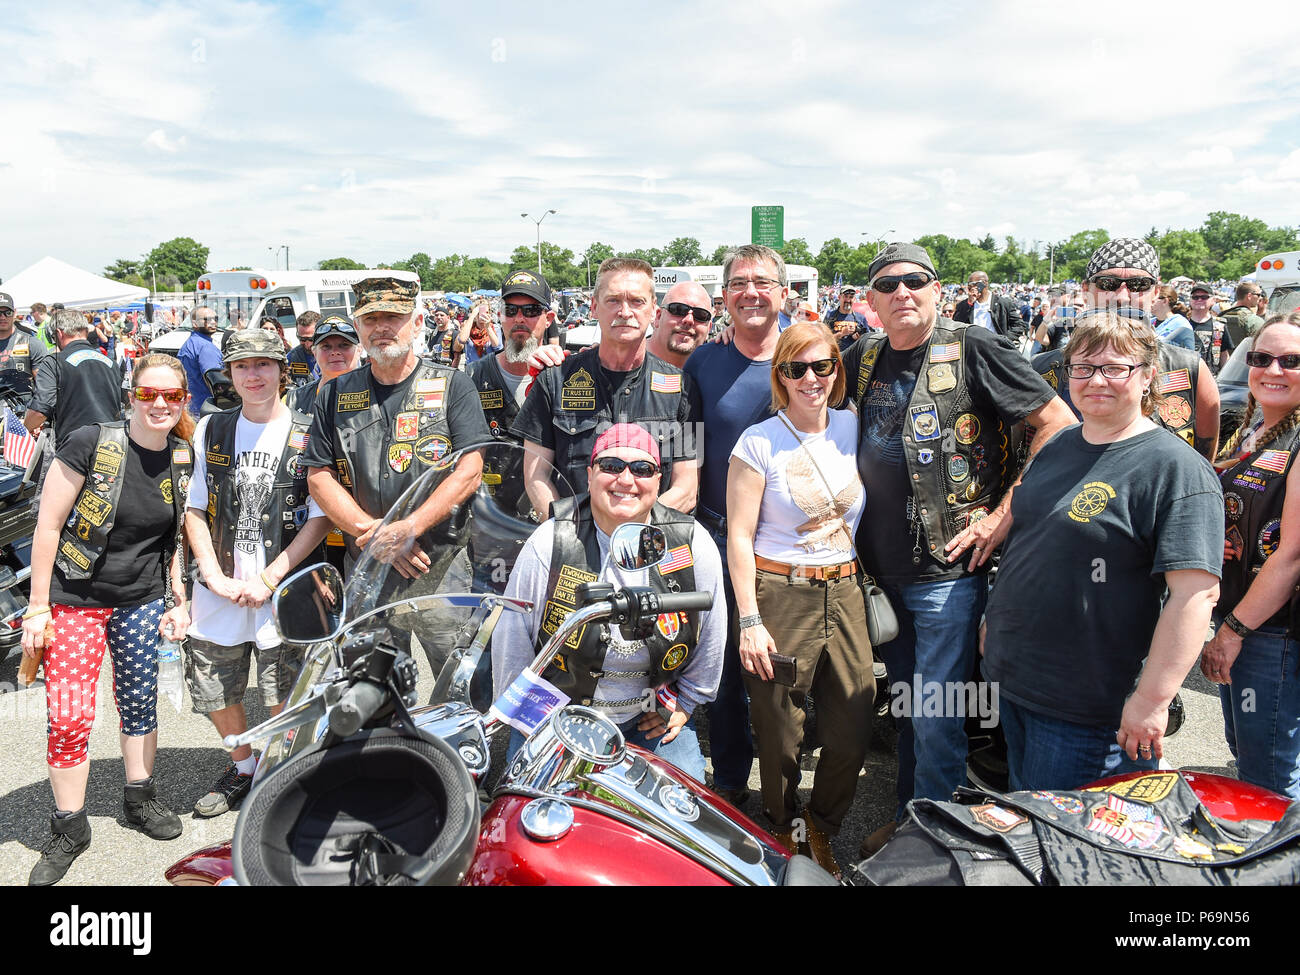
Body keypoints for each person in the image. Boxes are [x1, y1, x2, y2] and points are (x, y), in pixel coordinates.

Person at [841, 242, 1075, 853]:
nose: (902, 293)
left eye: (914, 281)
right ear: (870, 301)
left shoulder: (973, 346)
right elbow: (798, 388)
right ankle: (914, 817)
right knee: (910, 708)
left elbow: (1055, 422)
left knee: (938, 714)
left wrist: (1003, 515)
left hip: (946, 570)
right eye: (887, 285)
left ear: (937, 288)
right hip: (878, 571)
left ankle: (932, 847)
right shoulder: (861, 355)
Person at [982, 315, 1222, 790]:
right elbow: (1030, 537)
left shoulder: (1176, 470)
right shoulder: (1060, 445)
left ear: (1149, 375)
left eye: (1115, 368)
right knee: (1032, 829)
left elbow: (1194, 598)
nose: (1096, 381)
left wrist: (1152, 701)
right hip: (1018, 684)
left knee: (1073, 849)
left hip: (1091, 710)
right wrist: (995, 619)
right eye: (1083, 367)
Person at [21, 354, 195, 885]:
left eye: (171, 396)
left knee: (139, 702)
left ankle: (140, 798)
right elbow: (47, 527)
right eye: (148, 394)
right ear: (130, 396)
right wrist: (37, 605)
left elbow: (175, 539)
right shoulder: (91, 442)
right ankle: (70, 826)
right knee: (70, 717)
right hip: (76, 599)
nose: (159, 404)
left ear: (183, 400)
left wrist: (178, 597)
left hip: (141, 600)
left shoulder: (183, 457)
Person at [493, 423, 725, 780]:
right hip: (557, 714)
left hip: (647, 717)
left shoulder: (691, 543)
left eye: (642, 469)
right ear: (590, 475)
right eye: (612, 466)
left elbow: (712, 633)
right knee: (533, 812)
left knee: (681, 810)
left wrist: (685, 703)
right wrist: (532, 719)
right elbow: (512, 638)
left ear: (658, 480)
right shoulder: (552, 539)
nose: (626, 479)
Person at [727, 323, 872, 875]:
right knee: (780, 729)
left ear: (837, 370)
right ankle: (783, 825)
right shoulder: (759, 441)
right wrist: (749, 619)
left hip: (848, 588)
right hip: (779, 591)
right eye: (796, 369)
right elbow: (739, 536)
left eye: (823, 366)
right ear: (779, 375)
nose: (811, 378)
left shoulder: (852, 426)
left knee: (853, 724)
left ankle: (823, 825)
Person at [302, 276, 490, 675]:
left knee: (457, 685)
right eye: (371, 319)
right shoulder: (335, 394)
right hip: (368, 564)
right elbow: (318, 474)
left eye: (393, 317)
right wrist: (375, 534)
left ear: (418, 321)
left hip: (440, 566)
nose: (381, 327)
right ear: (358, 327)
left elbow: (471, 469)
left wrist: (408, 529)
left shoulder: (452, 384)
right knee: (370, 687)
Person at [184, 329, 332, 817]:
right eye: (243, 366)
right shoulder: (211, 428)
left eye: (264, 364)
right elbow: (195, 508)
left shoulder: (310, 428)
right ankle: (243, 766)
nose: (254, 374)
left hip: (282, 583)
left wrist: (271, 577)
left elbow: (319, 514)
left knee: (281, 686)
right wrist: (210, 573)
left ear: (281, 372)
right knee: (214, 682)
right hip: (221, 583)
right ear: (229, 373)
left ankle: (278, 771)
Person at [682, 243, 792, 806]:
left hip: (796, 543)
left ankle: (783, 786)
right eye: (740, 283)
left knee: (783, 667)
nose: (752, 292)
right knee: (725, 666)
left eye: (763, 282)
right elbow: (687, 445)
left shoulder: (813, 353)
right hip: (724, 534)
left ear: (784, 292)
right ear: (725, 297)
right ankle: (730, 781)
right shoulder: (705, 361)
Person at [515, 258, 701, 516]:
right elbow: (536, 476)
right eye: (613, 300)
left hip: (648, 545)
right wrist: (572, 533)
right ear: (593, 307)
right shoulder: (554, 380)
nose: (625, 312)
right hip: (576, 542)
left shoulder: (682, 387)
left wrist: (637, 534)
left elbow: (687, 487)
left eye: (637, 301)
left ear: (654, 311)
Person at [1202, 310, 1300, 799]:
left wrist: (1232, 632)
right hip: (1240, 613)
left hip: (1271, 631)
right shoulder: (1256, 427)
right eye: (1261, 358)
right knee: (1246, 750)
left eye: (1291, 360)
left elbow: (1291, 555)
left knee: (1269, 778)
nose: (1273, 370)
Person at [1032, 239, 1220, 461]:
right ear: (1086, 290)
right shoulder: (1042, 370)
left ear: (1155, 293)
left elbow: (1203, 461)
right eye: (1107, 283)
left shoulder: (1188, 368)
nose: (1121, 296)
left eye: (1138, 285)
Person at [24, 308, 123, 449]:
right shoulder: (110, 362)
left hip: (74, 448)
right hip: (110, 445)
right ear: (86, 331)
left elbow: (40, 409)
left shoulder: (53, 362)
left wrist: (23, 428)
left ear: (58, 333)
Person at [289, 316, 362, 413]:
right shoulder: (293, 400)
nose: (335, 352)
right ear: (314, 352)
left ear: (359, 350)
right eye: (326, 346)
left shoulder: (380, 395)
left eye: (344, 345)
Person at [647, 281, 713, 368]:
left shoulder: (713, 370)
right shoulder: (628, 360)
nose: (689, 320)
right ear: (658, 317)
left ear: (709, 328)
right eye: (678, 309)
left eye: (700, 315)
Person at [0, 290, 50, 392]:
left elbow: (46, 387)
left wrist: (36, 408)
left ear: (14, 313)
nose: (3, 317)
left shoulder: (32, 343)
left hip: (22, 405)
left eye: (7, 313)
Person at [953, 271, 1027, 340]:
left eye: (974, 284)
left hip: (995, 349)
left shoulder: (1002, 303)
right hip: (973, 349)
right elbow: (956, 326)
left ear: (984, 283)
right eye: (969, 285)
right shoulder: (964, 305)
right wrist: (968, 304)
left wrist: (1004, 340)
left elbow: (1019, 325)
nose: (971, 287)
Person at [177, 307, 223, 416]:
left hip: (194, 408)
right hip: (207, 409)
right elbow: (218, 385)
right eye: (207, 319)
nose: (213, 322)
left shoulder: (191, 344)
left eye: (215, 318)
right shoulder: (206, 347)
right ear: (195, 324)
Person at [1188, 281, 1234, 376]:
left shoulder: (1219, 325)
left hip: (1212, 376)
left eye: (1204, 297)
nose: (1199, 299)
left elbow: (1224, 354)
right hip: (1188, 377)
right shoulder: (1182, 324)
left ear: (1213, 300)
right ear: (1190, 301)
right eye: (1195, 297)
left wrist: (1225, 376)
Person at [1220, 282, 1266, 346]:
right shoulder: (1254, 321)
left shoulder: (1221, 316)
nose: (1260, 298)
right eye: (1258, 295)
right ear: (1249, 296)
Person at [1151, 284, 1196, 350]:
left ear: (1165, 301)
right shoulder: (1149, 322)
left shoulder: (1181, 324)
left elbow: (1189, 353)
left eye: (1152, 299)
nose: (1149, 302)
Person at [285, 310, 320, 389]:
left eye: (311, 339)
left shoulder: (334, 354)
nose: (308, 345)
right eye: (302, 339)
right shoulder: (291, 358)